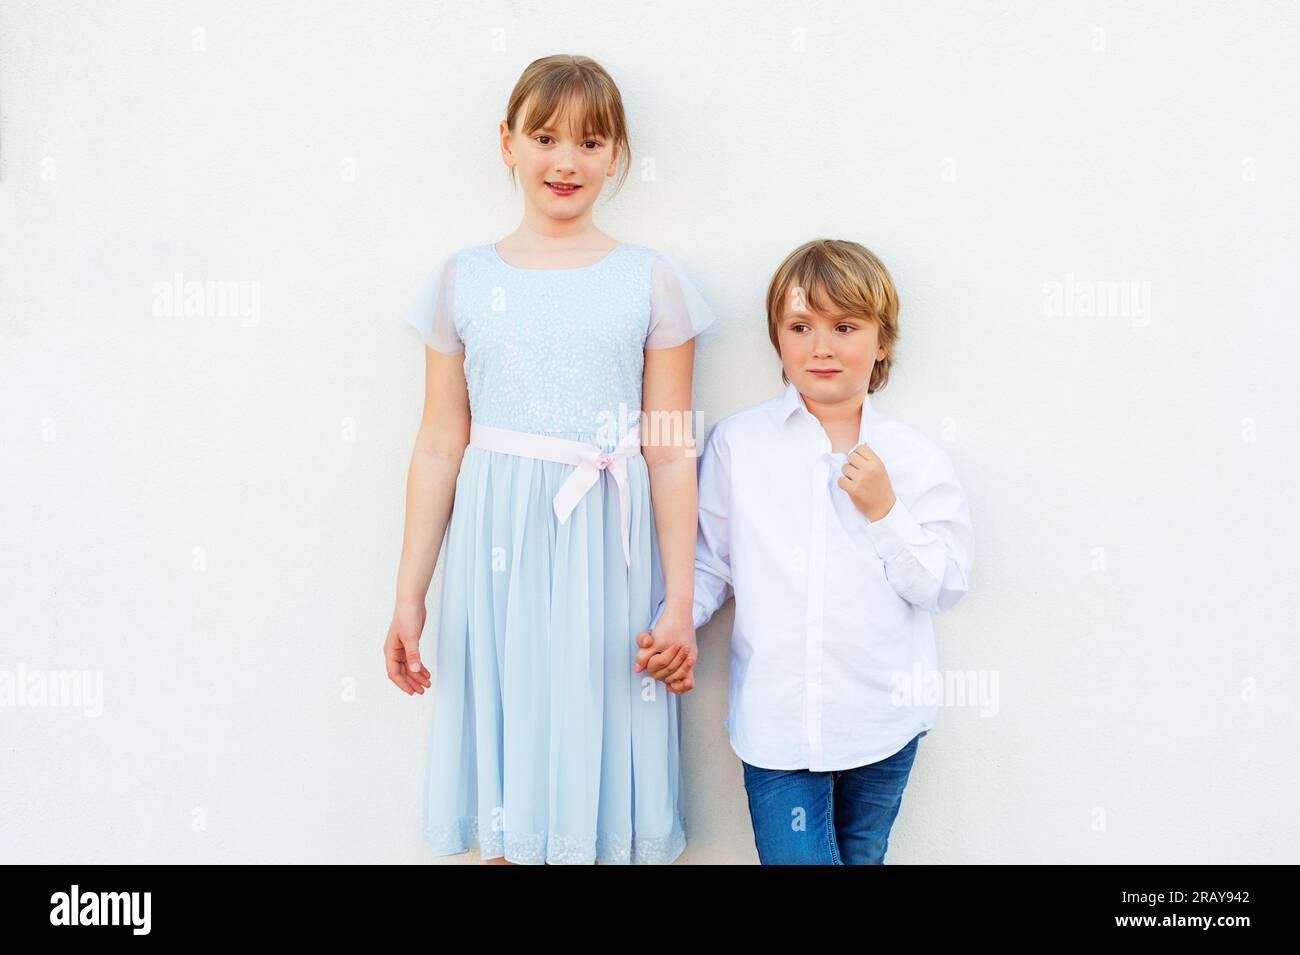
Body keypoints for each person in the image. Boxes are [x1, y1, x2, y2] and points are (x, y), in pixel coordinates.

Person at [388, 54, 718, 865]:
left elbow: (671, 450)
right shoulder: (461, 279)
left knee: (597, 727)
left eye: (590, 141)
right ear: (507, 143)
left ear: (616, 156)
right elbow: (438, 443)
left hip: (609, 544)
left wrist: (679, 599)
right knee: (512, 744)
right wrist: (409, 593)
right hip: (498, 546)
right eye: (544, 137)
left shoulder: (652, 280)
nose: (565, 161)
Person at [636, 238, 975, 863]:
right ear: (777, 339)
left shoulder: (915, 457)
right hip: (778, 728)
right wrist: (678, 621)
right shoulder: (740, 443)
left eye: (845, 326)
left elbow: (945, 585)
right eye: (801, 326)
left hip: (881, 722)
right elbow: (710, 559)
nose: (822, 346)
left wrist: (885, 511)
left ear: (882, 340)